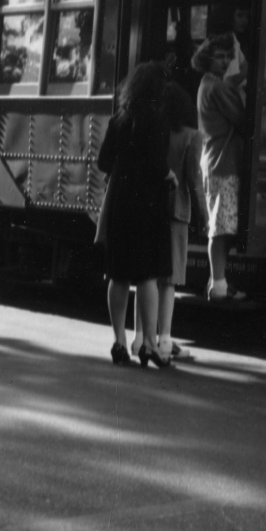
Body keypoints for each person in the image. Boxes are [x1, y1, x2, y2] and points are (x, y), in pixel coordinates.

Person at [95, 61, 174, 368]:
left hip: (120, 200)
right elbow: (157, 163)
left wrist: (123, 165)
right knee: (147, 275)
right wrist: (169, 175)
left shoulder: (119, 119)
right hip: (148, 203)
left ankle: (118, 341)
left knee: (118, 274)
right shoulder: (158, 119)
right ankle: (149, 344)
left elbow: (103, 162)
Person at [132, 81, 207, 361]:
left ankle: (140, 337)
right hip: (177, 210)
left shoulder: (153, 132)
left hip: (150, 208)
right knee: (169, 280)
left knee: (147, 276)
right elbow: (193, 180)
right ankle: (164, 339)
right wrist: (204, 215)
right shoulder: (192, 137)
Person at [193, 33, 250, 301]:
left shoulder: (209, 83)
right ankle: (218, 286)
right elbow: (243, 119)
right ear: (209, 59)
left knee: (222, 226)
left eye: (229, 56)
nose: (226, 61)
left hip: (215, 159)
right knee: (221, 228)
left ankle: (218, 282)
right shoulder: (217, 88)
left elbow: (233, 80)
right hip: (223, 161)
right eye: (220, 57)